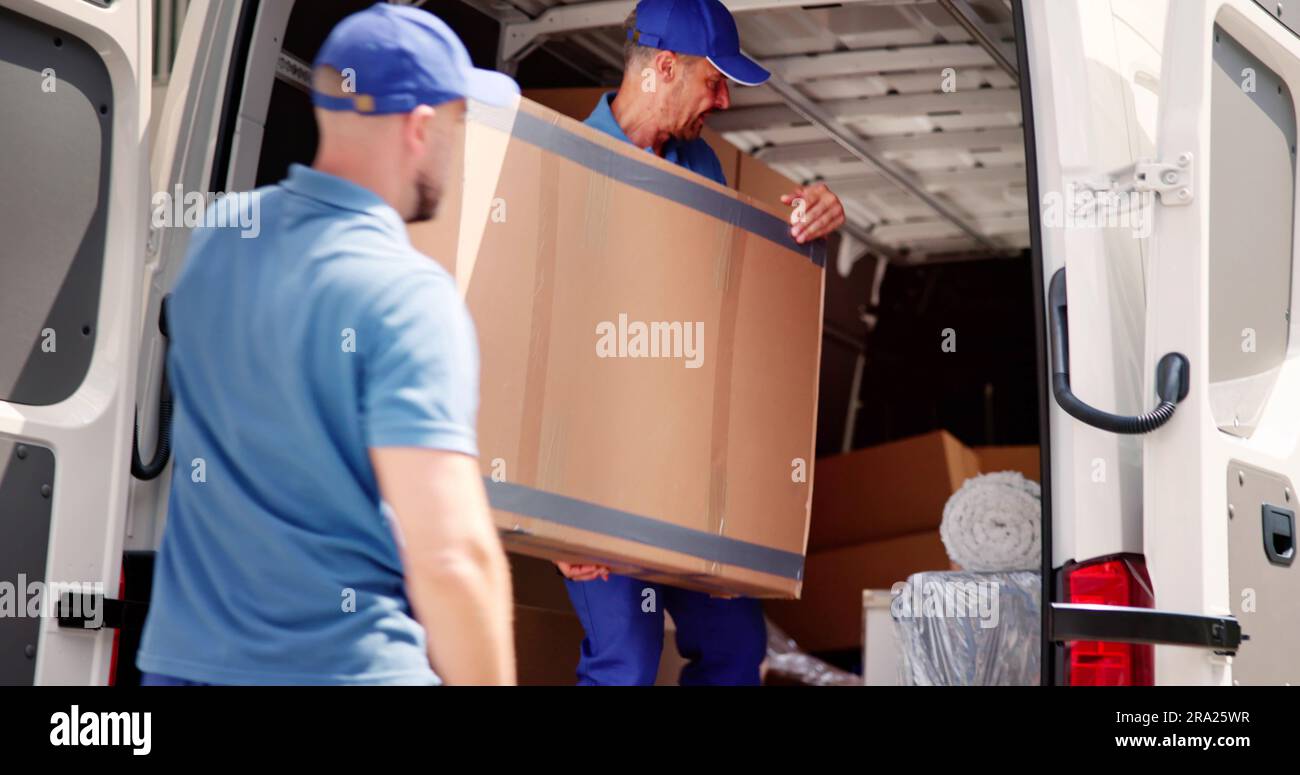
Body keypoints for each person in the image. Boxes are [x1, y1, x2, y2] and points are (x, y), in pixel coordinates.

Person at [136, 4, 519, 685]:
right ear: (419, 126)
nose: (456, 151)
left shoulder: (221, 239)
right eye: (458, 126)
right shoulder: (407, 297)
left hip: (185, 665)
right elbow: (452, 558)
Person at [557, 0, 846, 685]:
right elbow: (535, 348)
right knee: (625, 658)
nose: (722, 101)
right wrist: (552, 514)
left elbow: (740, 314)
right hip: (596, 474)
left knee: (733, 648)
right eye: (714, 81)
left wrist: (816, 221)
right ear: (663, 67)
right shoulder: (566, 167)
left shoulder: (701, 166)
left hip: (686, 472)